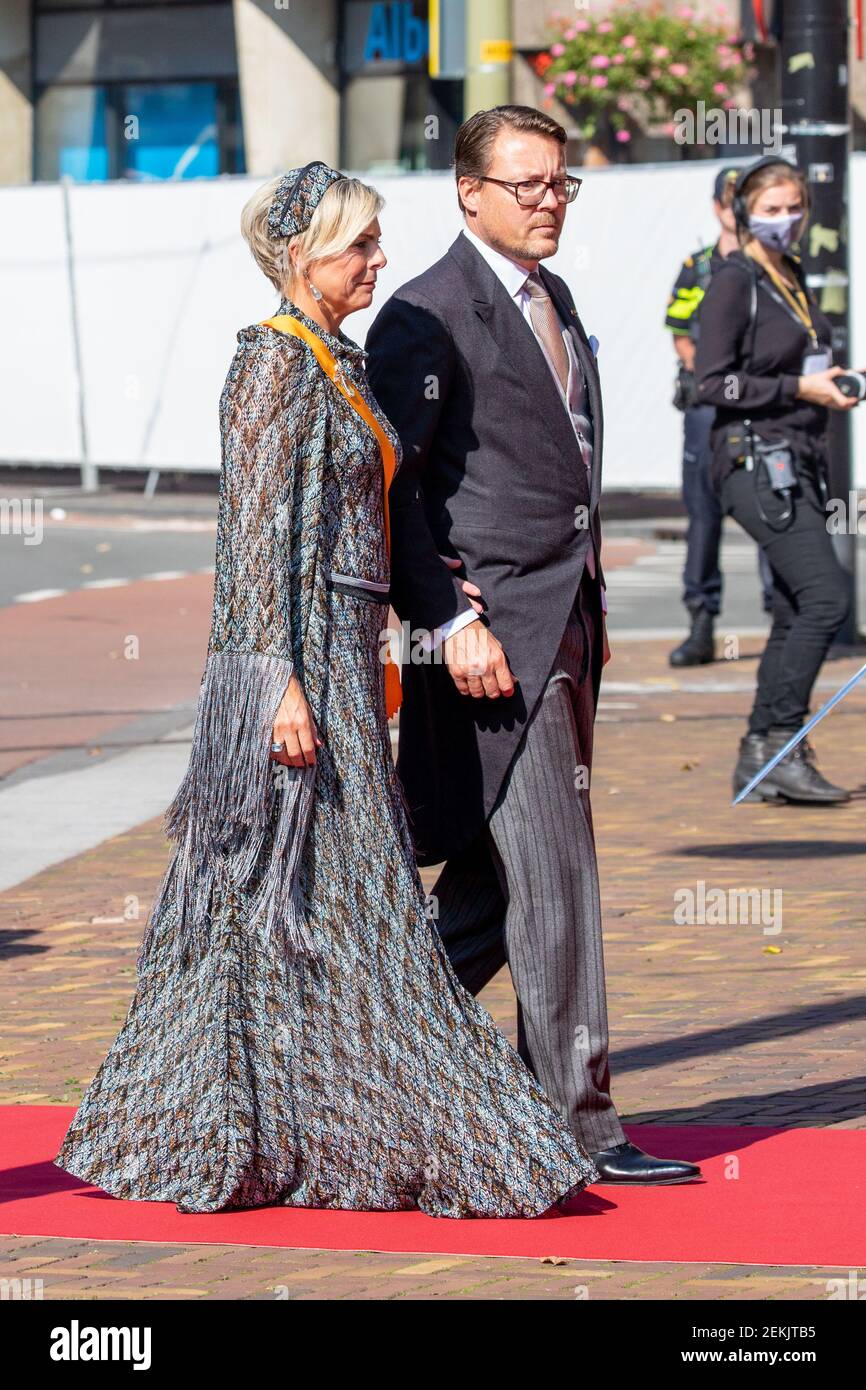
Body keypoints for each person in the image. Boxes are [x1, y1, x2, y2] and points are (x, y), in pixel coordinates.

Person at [53, 161, 601, 1217]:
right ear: (298, 255)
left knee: (309, 909)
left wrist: (434, 594)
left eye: (377, 241)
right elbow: (251, 542)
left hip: (347, 660)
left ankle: (308, 1127)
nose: (378, 260)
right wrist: (273, 689)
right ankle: (241, 1130)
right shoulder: (270, 364)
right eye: (358, 245)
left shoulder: (334, 359)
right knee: (268, 908)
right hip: (295, 667)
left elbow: (367, 515)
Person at [367, 105, 700, 1186]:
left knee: (482, 886)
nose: (547, 199)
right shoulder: (423, 314)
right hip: (492, 640)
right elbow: (392, 491)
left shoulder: (548, 295)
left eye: (559, 183)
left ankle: (343, 1050)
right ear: (467, 191)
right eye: (525, 185)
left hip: (565, 622)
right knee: (554, 876)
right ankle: (579, 1123)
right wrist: (448, 620)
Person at [695, 155, 858, 804]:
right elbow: (710, 382)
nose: (785, 220)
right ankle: (781, 739)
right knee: (827, 598)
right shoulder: (734, 280)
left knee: (797, 605)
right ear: (743, 214)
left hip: (798, 455)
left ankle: (765, 753)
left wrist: (829, 384)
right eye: (770, 209)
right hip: (755, 459)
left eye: (794, 207)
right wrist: (800, 385)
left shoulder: (789, 275)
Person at [666, 166, 773, 667]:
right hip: (709, 408)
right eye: (731, 201)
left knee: (775, 506)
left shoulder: (771, 264)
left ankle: (784, 620)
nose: (738, 210)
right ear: (717, 208)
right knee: (704, 516)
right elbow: (681, 333)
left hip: (762, 407)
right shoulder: (700, 265)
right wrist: (715, 373)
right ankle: (702, 622)